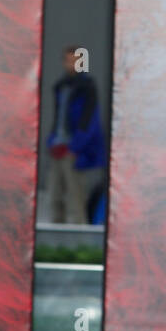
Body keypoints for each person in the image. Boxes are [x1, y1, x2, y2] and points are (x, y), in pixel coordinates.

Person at [46, 45, 106, 223]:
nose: (70, 64)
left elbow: (89, 122)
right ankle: (54, 244)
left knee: (76, 198)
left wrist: (75, 147)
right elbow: (58, 118)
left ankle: (81, 243)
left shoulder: (87, 87)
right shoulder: (60, 86)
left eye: (75, 61)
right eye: (68, 60)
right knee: (54, 197)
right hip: (58, 148)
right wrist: (52, 142)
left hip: (75, 151)